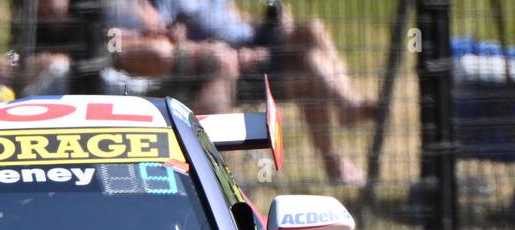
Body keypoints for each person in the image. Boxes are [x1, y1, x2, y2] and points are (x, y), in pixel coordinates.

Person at [153, 0, 379, 184]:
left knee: (312, 30)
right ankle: (341, 137)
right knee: (309, 71)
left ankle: (347, 103)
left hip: (255, 43)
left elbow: (231, 20)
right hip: (234, 64)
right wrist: (237, 54)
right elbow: (165, 33)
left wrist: (267, 25)